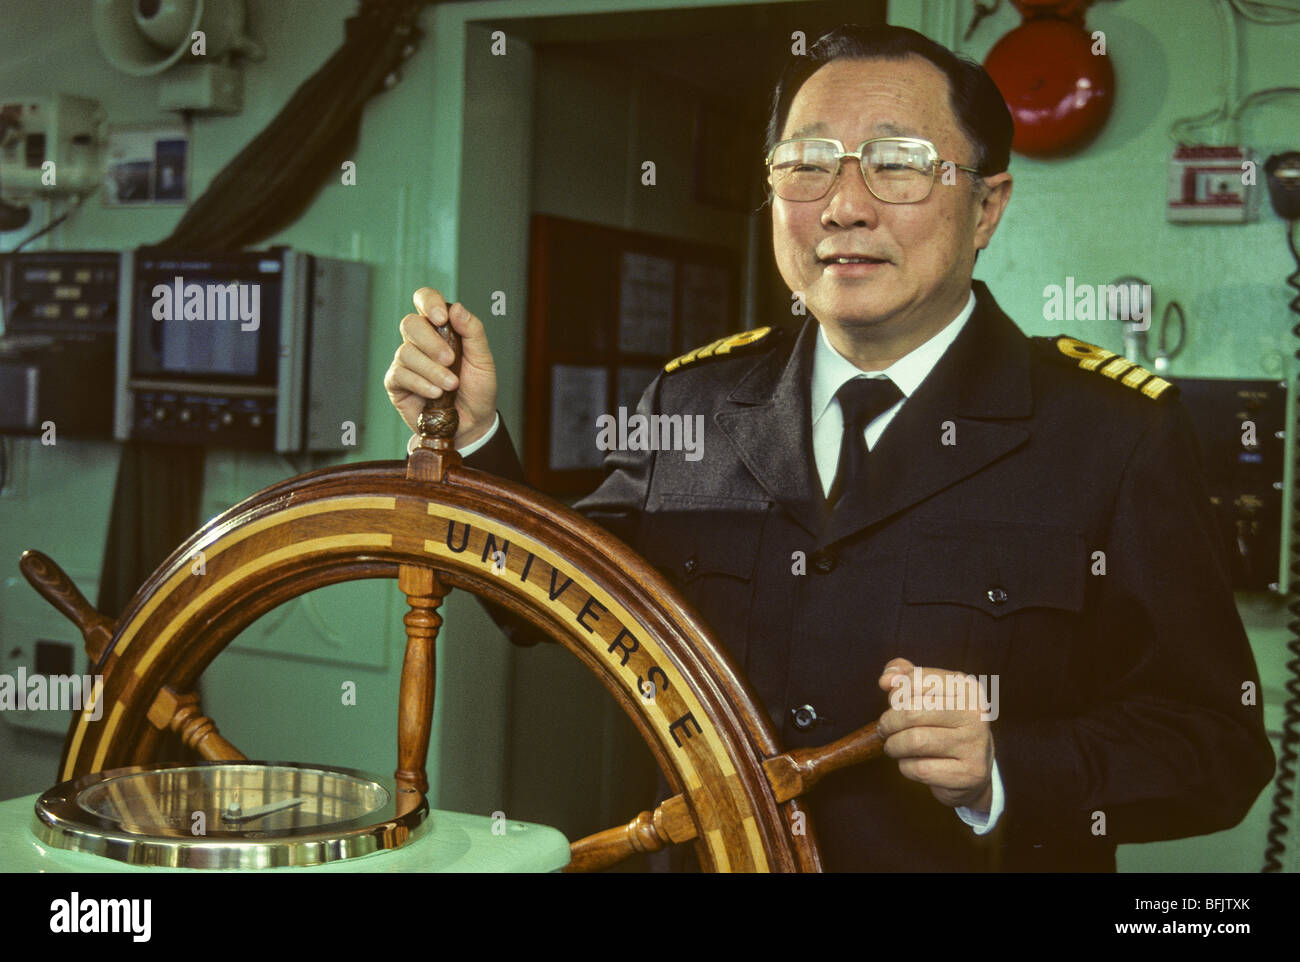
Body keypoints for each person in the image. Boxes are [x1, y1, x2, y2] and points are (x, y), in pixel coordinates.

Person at [384, 24, 1274, 871]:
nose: (844, 207)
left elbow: (1217, 748)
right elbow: (556, 593)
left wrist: (1001, 766)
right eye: (805, 165)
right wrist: (472, 438)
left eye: (899, 166)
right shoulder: (693, 400)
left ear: (987, 208)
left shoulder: (1111, 435)